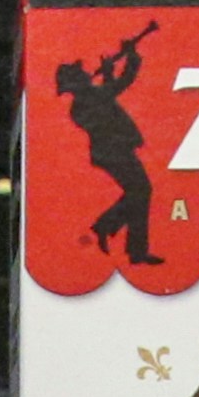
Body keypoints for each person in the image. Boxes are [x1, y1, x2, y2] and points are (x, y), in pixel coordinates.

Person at [58, 24, 162, 268]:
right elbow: (112, 94)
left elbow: (118, 85)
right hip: (111, 153)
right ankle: (121, 239)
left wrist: (128, 55)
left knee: (139, 192)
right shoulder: (81, 105)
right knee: (142, 191)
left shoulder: (93, 95)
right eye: (80, 73)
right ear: (74, 84)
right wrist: (110, 71)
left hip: (117, 151)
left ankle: (114, 233)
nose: (85, 73)